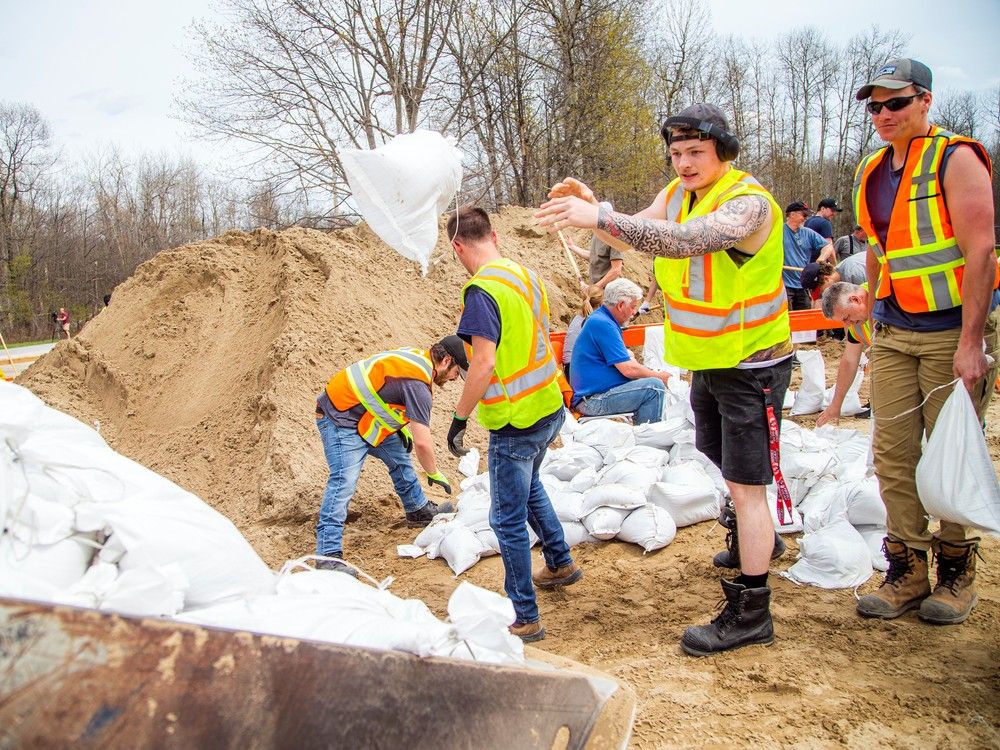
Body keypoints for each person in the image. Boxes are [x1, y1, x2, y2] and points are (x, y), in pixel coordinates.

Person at [536, 102, 793, 656]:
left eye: (695, 152)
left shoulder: (748, 204)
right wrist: (596, 209)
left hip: (753, 364)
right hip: (714, 359)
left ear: (724, 151)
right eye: (676, 153)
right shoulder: (679, 194)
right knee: (717, 454)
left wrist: (600, 217)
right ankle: (755, 542)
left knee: (749, 485)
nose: (683, 163)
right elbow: (640, 234)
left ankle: (752, 608)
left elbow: (685, 240)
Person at [852, 58, 1000, 625]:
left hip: (947, 331)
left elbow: (980, 252)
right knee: (894, 455)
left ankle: (958, 571)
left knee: (950, 451)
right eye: (875, 106)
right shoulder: (872, 169)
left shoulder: (956, 158)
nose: (883, 114)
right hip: (894, 329)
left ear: (925, 101)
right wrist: (868, 315)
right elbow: (877, 248)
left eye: (895, 102)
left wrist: (971, 342)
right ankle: (907, 569)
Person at [446, 206, 581, 644]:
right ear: (495, 235)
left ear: (457, 246)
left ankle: (526, 616)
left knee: (505, 519)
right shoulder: (523, 275)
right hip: (548, 405)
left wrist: (459, 418)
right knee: (530, 487)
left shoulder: (481, 292)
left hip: (515, 419)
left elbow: (482, 364)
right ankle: (560, 562)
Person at [314, 336, 466, 573]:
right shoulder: (418, 383)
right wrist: (434, 473)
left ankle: (417, 510)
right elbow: (423, 443)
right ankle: (327, 555)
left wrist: (397, 427)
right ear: (446, 361)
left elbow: (384, 392)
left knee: (399, 457)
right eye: (457, 372)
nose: (456, 378)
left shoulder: (419, 359)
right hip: (339, 419)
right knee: (343, 481)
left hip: (362, 417)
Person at [569, 278, 670, 424]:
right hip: (592, 401)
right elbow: (628, 369)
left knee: (650, 381)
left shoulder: (602, 320)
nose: (634, 312)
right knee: (654, 387)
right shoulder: (604, 324)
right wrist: (660, 376)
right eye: (633, 307)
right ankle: (648, 438)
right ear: (621, 305)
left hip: (594, 395)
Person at [816, 282, 872, 427]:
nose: (848, 323)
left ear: (855, 299)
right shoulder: (856, 325)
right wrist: (836, 404)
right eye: (843, 321)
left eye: (846, 317)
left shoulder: (883, 296)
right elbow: (849, 360)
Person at [782, 202, 834, 310]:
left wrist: (821, 258)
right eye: (803, 215)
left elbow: (828, 246)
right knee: (787, 319)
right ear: (792, 214)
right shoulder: (778, 232)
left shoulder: (808, 233)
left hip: (803, 284)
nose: (805, 218)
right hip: (784, 285)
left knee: (805, 319)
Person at [565, 212, 624, 292]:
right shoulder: (597, 235)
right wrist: (572, 246)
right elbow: (593, 256)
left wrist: (595, 287)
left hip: (609, 291)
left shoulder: (614, 239)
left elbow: (616, 270)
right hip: (596, 289)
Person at [562, 286, 604, 382]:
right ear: (601, 305)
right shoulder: (592, 322)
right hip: (579, 370)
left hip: (571, 369)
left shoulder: (577, 318)